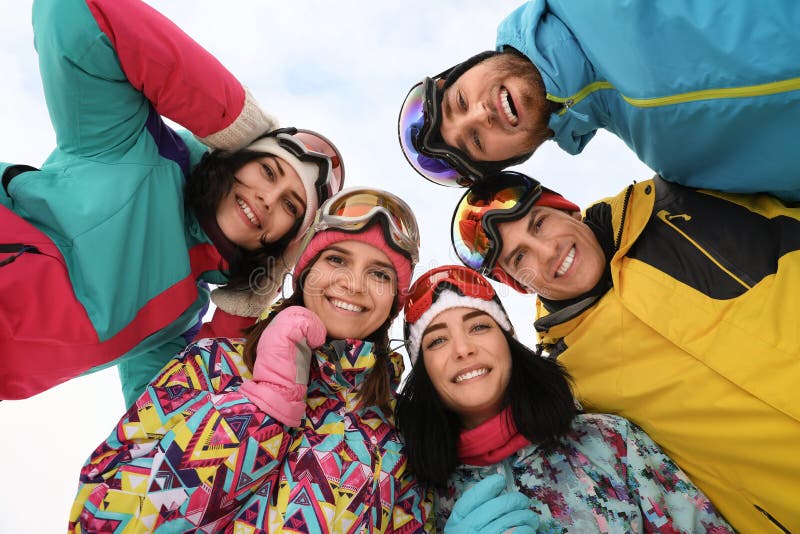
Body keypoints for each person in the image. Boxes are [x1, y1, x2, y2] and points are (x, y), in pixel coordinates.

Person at [0, 0, 344, 406]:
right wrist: (231, 116)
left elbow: (170, 422)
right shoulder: (132, 143)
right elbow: (72, 12)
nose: (267, 199)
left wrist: (248, 301)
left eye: (290, 206)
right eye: (267, 171)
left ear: (284, 242)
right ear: (239, 153)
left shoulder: (179, 321)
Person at [448, 171, 800, 532]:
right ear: (519, 284)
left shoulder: (677, 197)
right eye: (520, 257)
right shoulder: (570, 380)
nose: (547, 251)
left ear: (568, 210)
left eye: (539, 224)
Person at [69, 187, 436, 532]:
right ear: (305, 274)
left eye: (379, 274)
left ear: (393, 302)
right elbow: (104, 519)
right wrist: (261, 408)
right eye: (337, 259)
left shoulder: (401, 439)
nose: (354, 284)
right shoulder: (214, 365)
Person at [395, 265, 734, 532]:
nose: (463, 348)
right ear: (424, 372)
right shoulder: (412, 492)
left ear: (509, 344)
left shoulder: (610, 439)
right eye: (437, 341)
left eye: (479, 327)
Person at [397, 0, 800, 201]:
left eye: (461, 101)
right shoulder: (675, 160)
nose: (481, 115)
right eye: (477, 143)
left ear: (472, 65)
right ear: (517, 158)